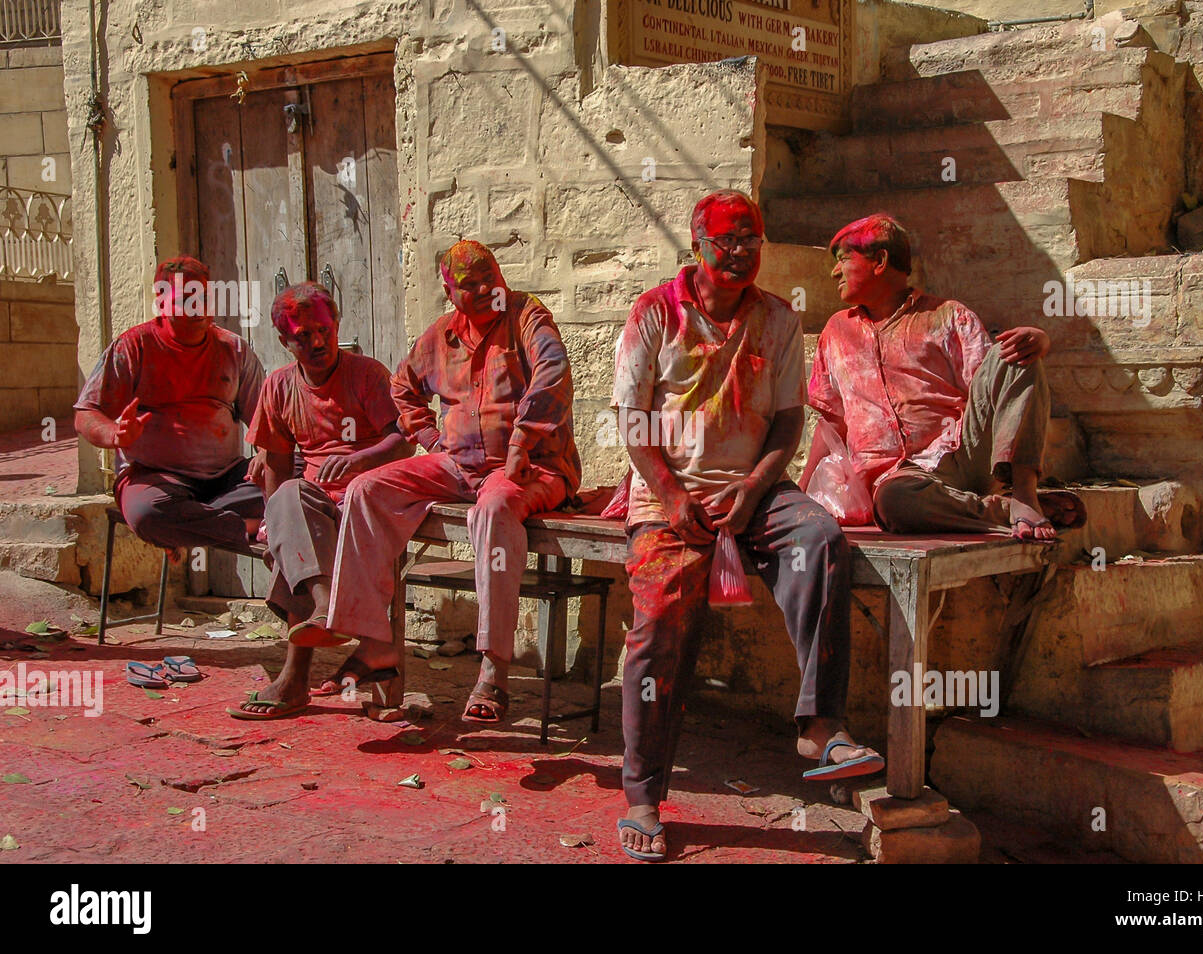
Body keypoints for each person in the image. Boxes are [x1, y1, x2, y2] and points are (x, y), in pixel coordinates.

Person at [611, 190, 883, 863]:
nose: (738, 254)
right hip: (669, 500)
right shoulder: (654, 314)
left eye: (750, 241)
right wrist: (673, 497)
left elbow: (788, 420)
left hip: (755, 492)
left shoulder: (779, 319)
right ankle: (643, 796)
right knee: (658, 624)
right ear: (697, 243)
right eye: (725, 241)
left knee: (819, 538)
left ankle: (822, 727)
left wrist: (757, 484)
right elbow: (633, 422)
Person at [308, 240, 582, 722]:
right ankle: (375, 646)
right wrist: (432, 440)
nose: (483, 289)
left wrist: (521, 441)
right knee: (365, 491)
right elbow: (402, 387)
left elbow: (554, 374)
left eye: (489, 277)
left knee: (493, 510)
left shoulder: (527, 315)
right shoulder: (440, 337)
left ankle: (493, 672)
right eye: (469, 284)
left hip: (531, 466)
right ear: (449, 291)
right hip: (458, 466)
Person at [801, 213, 1085, 540]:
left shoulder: (948, 315)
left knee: (1016, 352)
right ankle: (1006, 511)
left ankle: (1023, 493)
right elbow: (831, 421)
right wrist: (802, 489)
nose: (834, 271)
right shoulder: (836, 331)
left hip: (962, 455)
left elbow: (991, 381)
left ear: (880, 261)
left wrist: (1039, 341)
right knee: (896, 504)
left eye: (843, 260)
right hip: (900, 483)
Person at [227, 282, 411, 720]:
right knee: (288, 508)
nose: (315, 342)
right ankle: (327, 606)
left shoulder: (368, 375)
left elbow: (402, 442)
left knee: (307, 544)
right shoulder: (278, 387)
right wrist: (274, 519)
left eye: (322, 329)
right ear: (284, 341)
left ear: (337, 325)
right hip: (312, 502)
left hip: (367, 498)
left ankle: (295, 675)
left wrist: (358, 459)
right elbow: (275, 463)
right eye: (301, 335)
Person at [74, 256, 265, 558]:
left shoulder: (235, 350)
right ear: (162, 302)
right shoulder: (132, 347)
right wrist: (115, 434)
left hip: (227, 479)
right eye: (186, 299)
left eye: (203, 297)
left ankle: (186, 524)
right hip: (155, 479)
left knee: (299, 475)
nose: (198, 307)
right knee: (147, 514)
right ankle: (248, 527)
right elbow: (86, 414)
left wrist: (267, 453)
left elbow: (263, 421)